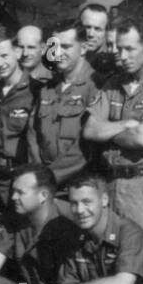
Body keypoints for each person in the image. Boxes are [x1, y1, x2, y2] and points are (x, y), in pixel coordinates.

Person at [82, 14, 143, 236]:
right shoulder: (113, 83)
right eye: (119, 49)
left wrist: (109, 129)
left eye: (130, 49)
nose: (122, 56)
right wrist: (126, 124)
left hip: (142, 186)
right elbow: (90, 130)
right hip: (111, 182)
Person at [32, 18, 99, 189]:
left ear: (83, 48)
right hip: (44, 182)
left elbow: (88, 145)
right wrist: (37, 173)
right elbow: (33, 134)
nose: (58, 53)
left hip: (79, 184)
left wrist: (51, 175)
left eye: (66, 47)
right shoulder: (47, 87)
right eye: (55, 47)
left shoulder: (97, 86)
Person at [0, 25, 38, 207]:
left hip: (22, 178)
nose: (0, 63)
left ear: (17, 52)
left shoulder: (35, 91)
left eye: (4, 56)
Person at [79, 3, 113, 74]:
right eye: (87, 27)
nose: (91, 34)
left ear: (106, 32)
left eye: (97, 29)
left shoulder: (111, 66)